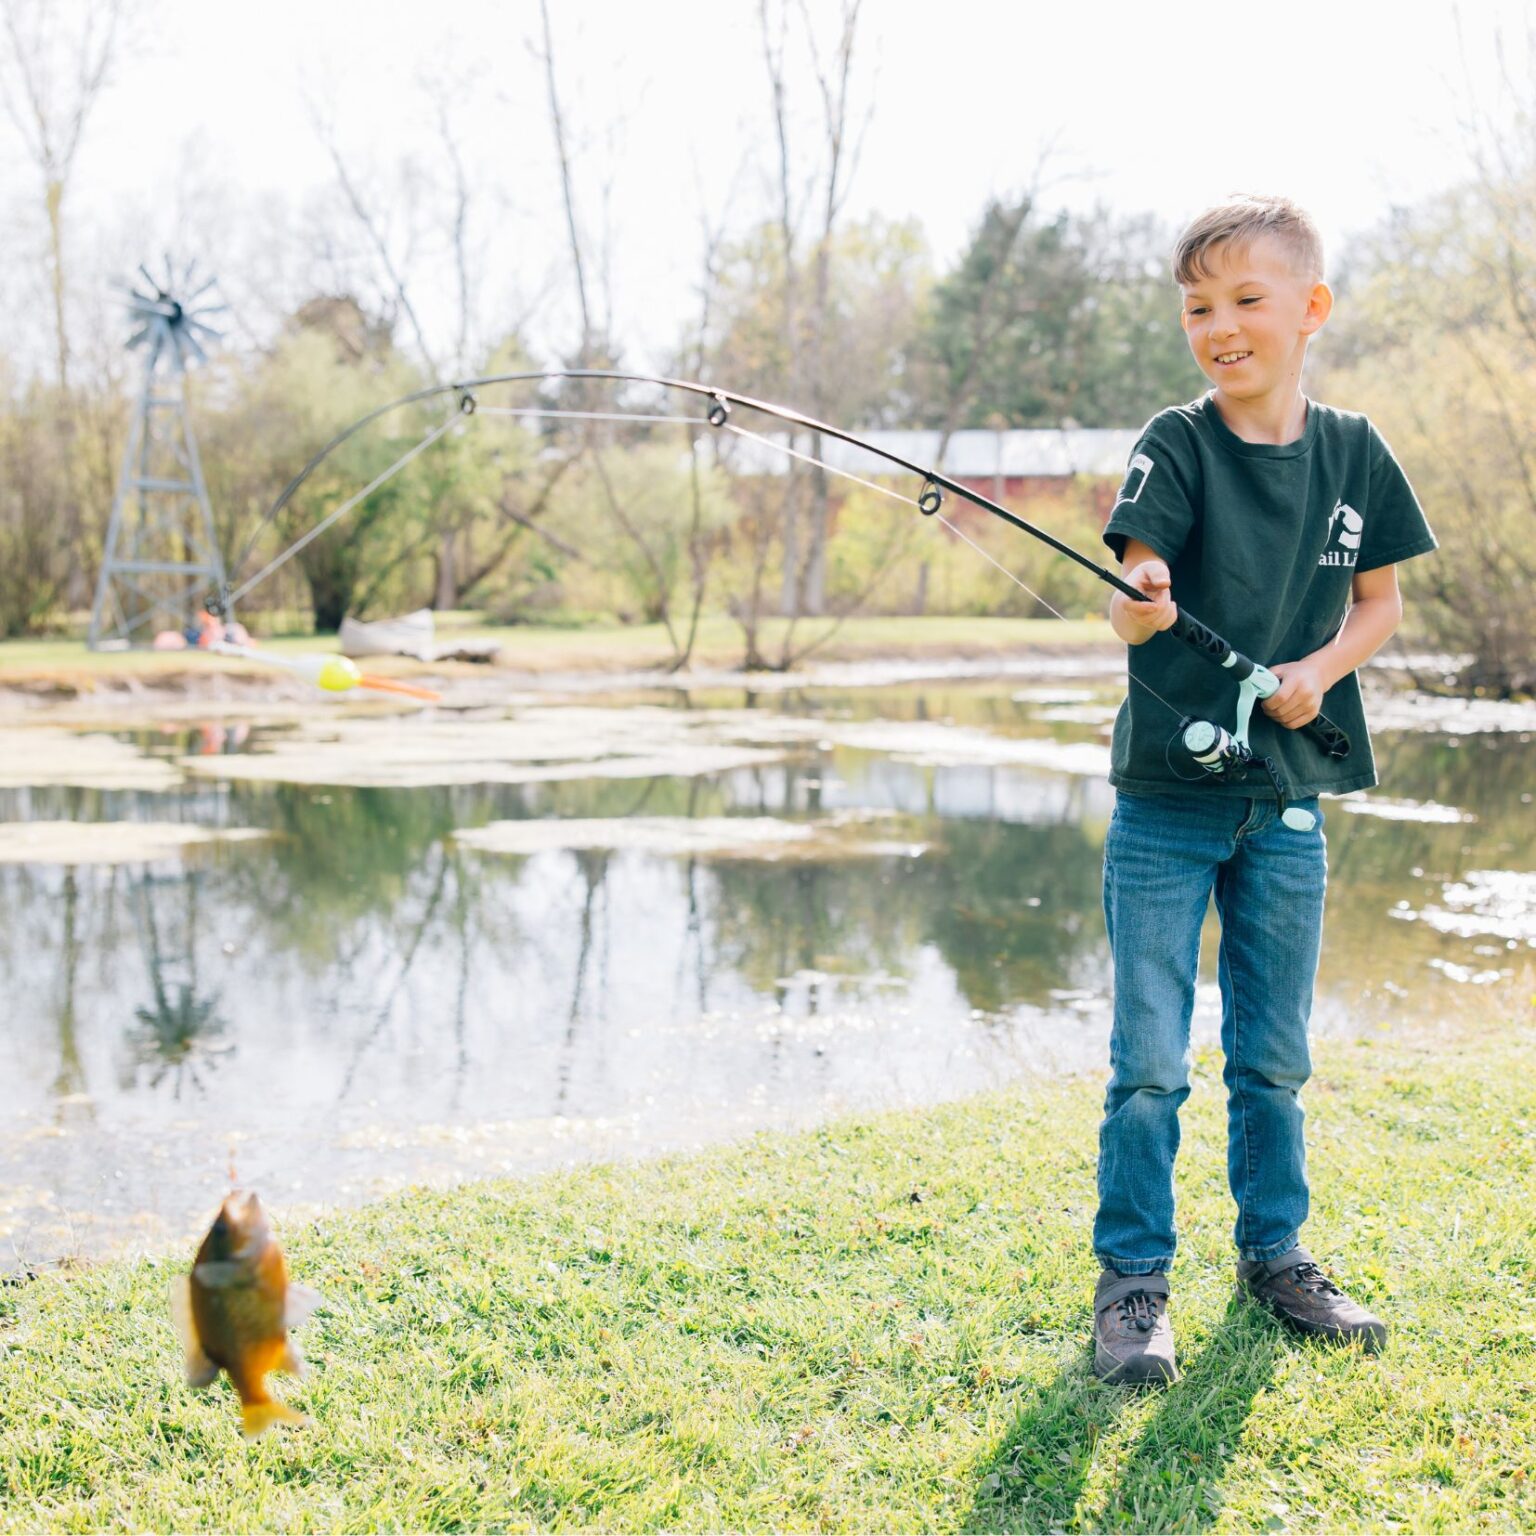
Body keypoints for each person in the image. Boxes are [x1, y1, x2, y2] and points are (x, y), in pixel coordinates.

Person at [1091, 195, 1437, 1385]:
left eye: (1247, 300)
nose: (1220, 326)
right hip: (1165, 806)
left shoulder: (1358, 453)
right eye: (1198, 306)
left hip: (1288, 802)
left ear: (1310, 310)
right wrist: (1142, 588)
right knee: (1149, 1061)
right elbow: (1141, 573)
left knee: (1274, 1057)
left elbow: (1379, 603)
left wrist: (1318, 672)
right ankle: (1134, 1283)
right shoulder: (1175, 443)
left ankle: (1277, 1255)